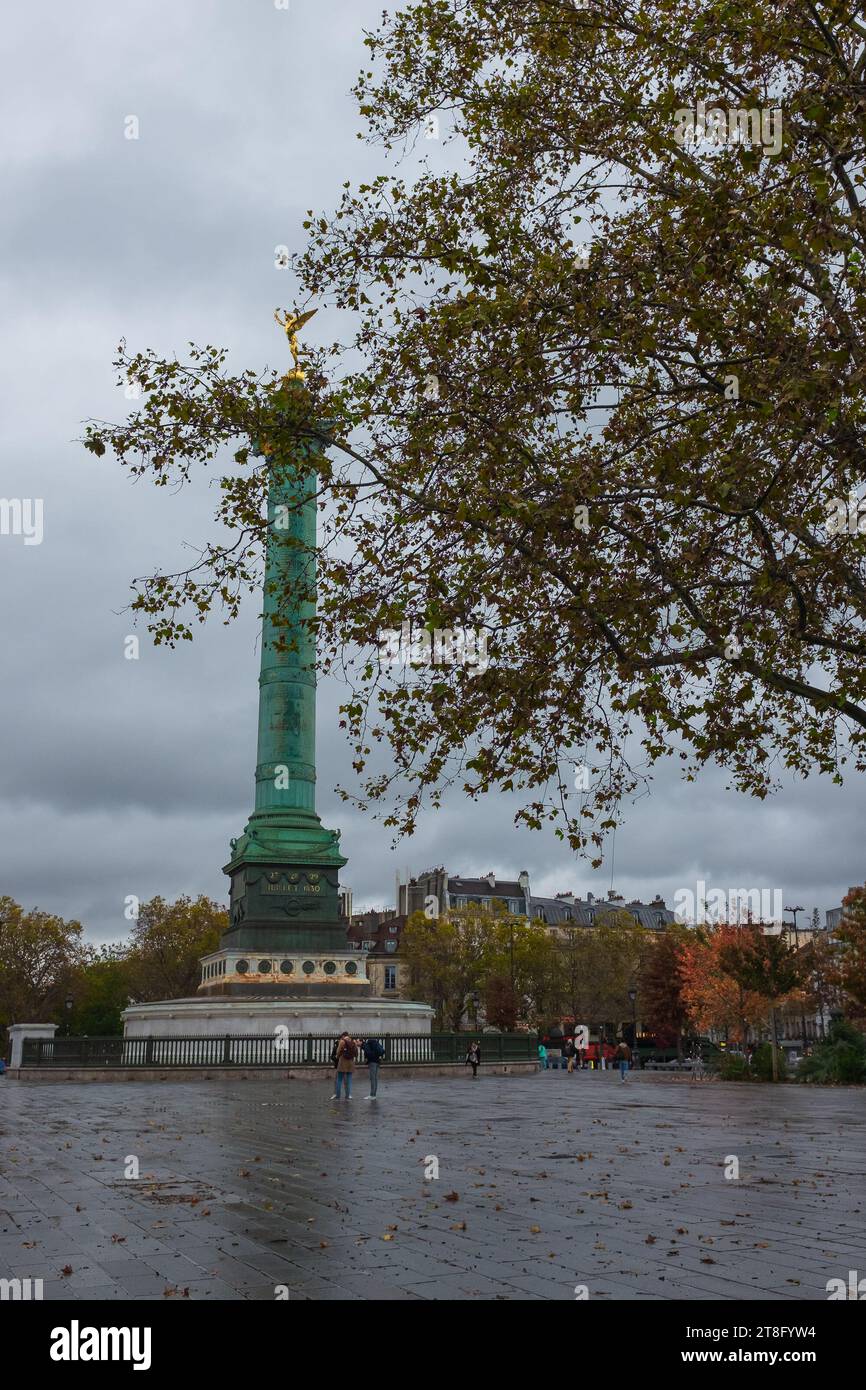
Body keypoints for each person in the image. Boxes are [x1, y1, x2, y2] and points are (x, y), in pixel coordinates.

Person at [331, 1034, 358, 1100]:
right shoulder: (353, 1043)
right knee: (349, 1080)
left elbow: (337, 1052)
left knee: (339, 1080)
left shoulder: (342, 1042)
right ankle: (348, 1096)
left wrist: (338, 1057)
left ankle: (338, 1095)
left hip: (342, 1062)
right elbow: (356, 1054)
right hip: (350, 1063)